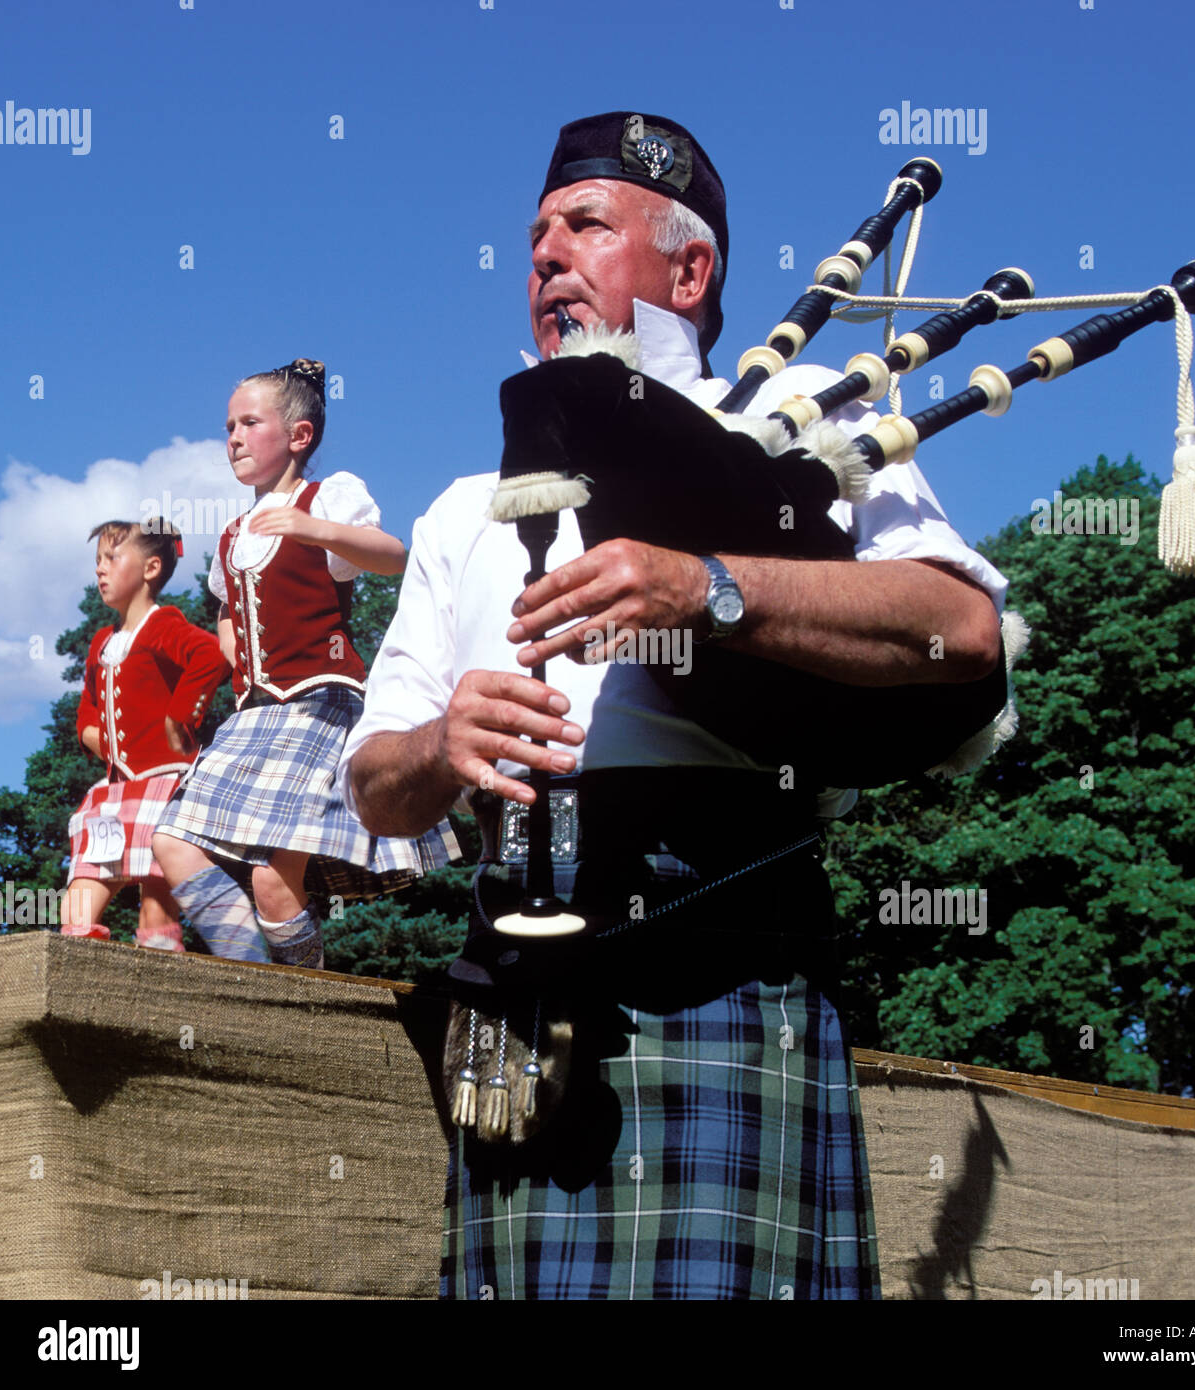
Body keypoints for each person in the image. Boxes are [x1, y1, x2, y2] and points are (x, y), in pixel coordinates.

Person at [342, 113, 1009, 1299]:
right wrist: (443, 745)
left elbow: (958, 631)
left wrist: (708, 585)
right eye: (535, 235)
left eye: (584, 225)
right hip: (518, 984)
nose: (544, 254)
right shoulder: (457, 510)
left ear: (689, 271)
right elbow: (372, 785)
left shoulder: (807, 416)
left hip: (719, 952)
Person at [152, 358, 457, 968]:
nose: (232, 436)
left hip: (318, 704)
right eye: (227, 426)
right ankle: (256, 974)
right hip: (255, 715)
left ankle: (307, 998)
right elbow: (227, 607)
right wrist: (230, 638)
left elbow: (393, 556)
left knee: (272, 880)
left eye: (248, 422)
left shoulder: (329, 498)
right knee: (171, 842)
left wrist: (312, 528)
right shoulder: (234, 533)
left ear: (298, 435)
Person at [64, 518, 230, 951]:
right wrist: (91, 735)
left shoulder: (162, 624)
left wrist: (180, 716)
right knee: (84, 885)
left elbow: (210, 654)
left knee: (157, 902)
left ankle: (157, 992)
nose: (100, 569)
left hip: (164, 783)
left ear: (151, 568)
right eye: (96, 560)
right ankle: (76, 969)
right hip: (116, 788)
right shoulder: (103, 640)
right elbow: (89, 702)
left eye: (112, 558)